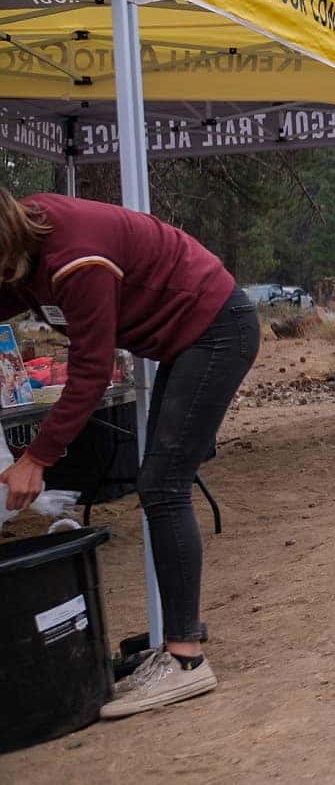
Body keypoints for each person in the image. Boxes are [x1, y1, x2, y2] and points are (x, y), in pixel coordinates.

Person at [0, 189, 259, 717]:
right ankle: (174, 644)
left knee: (163, 484)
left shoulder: (75, 257)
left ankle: (186, 661)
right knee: (160, 483)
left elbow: (92, 371)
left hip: (215, 329)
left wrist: (35, 458)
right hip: (190, 338)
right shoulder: (25, 246)